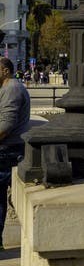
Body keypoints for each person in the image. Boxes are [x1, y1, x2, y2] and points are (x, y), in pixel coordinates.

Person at [0, 58, 31, 249]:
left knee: (14, 199)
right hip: (8, 150)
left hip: (7, 151)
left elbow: (6, 125)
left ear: (4, 71)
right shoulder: (7, 88)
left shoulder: (12, 89)